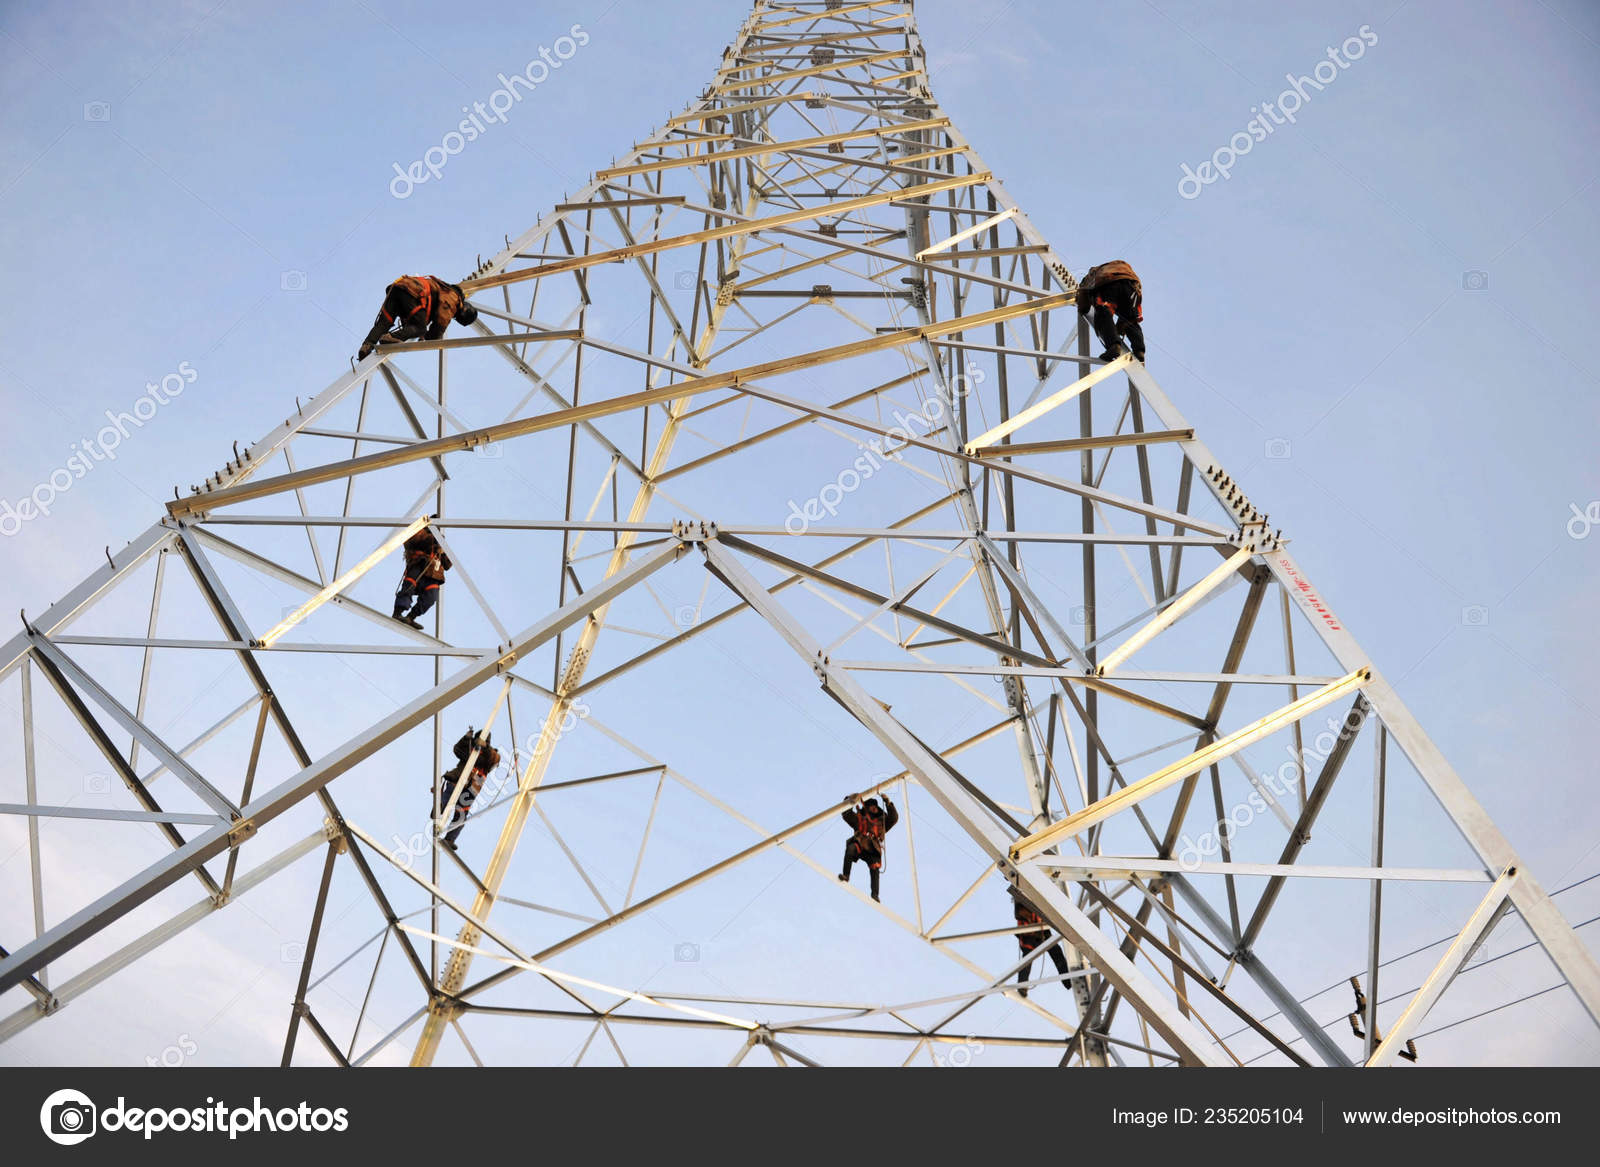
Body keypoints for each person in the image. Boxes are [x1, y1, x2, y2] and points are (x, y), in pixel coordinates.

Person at [358, 275, 479, 360]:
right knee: (420, 328)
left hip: (399, 289)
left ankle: (366, 346)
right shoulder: (453, 298)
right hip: (412, 293)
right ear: (463, 312)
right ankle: (390, 338)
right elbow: (442, 320)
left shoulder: (444, 289)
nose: (454, 317)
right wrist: (433, 337)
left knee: (384, 323)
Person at [437, 728, 501, 848]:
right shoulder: (470, 749)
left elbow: (493, 760)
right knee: (448, 794)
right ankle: (439, 808)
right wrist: (466, 738)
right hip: (458, 779)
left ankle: (450, 839)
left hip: (471, 788)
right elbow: (457, 750)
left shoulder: (491, 755)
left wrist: (485, 747)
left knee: (461, 815)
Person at [1076, 260, 1144, 363]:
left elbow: (1083, 302)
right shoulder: (1118, 266)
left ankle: (1114, 346)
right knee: (1130, 319)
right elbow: (1124, 320)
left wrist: (1082, 308)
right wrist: (1118, 328)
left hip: (1109, 282)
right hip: (1132, 285)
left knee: (1103, 313)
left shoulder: (1090, 276)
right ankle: (1139, 351)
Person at [1010, 887, 1070, 998]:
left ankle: (1068, 981)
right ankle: (1022, 986)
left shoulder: (1033, 895)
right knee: (1028, 958)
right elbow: (1021, 913)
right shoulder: (1022, 899)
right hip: (1029, 932)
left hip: (1040, 930)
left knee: (1056, 952)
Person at [837, 793, 897, 902]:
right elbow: (846, 813)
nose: (874, 808)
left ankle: (875, 895)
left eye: (875, 806)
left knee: (875, 869)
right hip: (860, 843)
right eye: (871, 806)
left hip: (873, 849)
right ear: (867, 808)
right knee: (851, 849)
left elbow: (894, 818)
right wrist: (849, 800)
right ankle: (846, 875)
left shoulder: (882, 822)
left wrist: (888, 803)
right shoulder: (859, 818)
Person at [393, 527, 450, 629]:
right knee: (409, 586)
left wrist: (442, 551)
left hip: (432, 574)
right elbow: (410, 541)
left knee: (431, 597)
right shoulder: (420, 532)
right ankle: (397, 612)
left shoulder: (440, 541)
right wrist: (433, 540)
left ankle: (411, 617)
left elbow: (448, 565)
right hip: (418, 565)